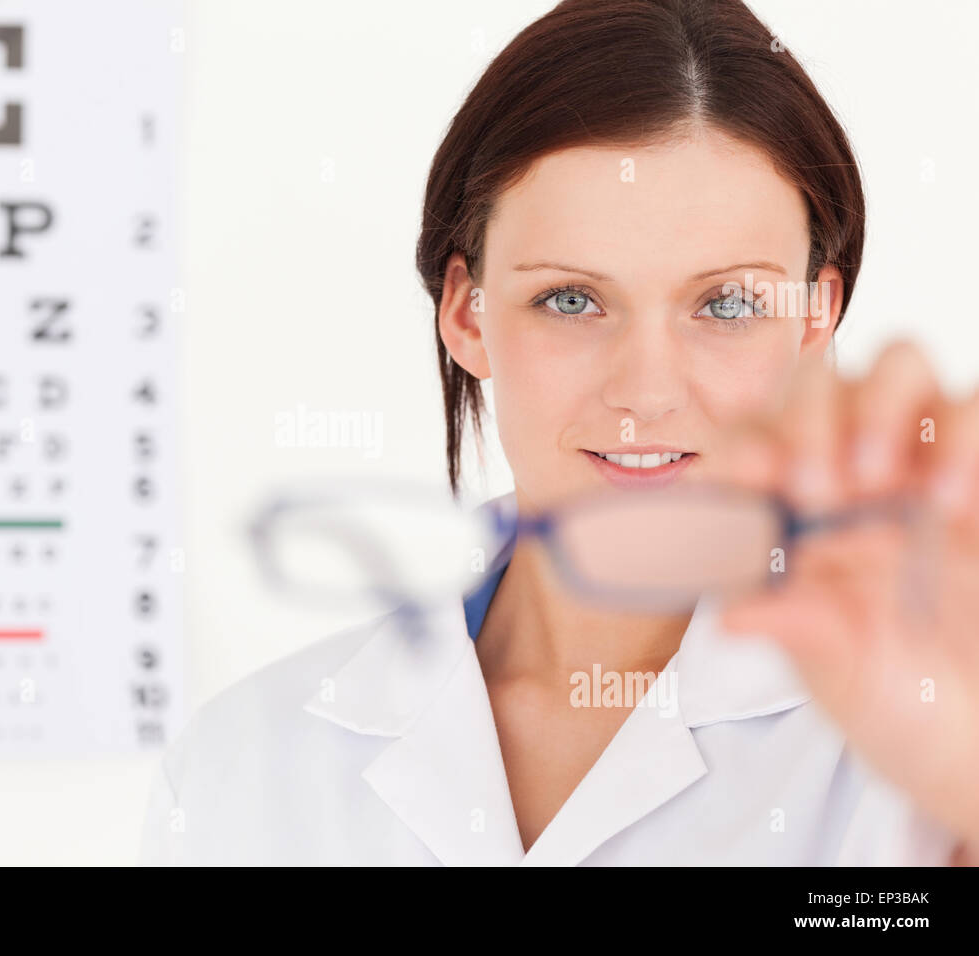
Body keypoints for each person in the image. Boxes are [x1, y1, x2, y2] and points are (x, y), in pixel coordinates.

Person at [138, 0, 979, 865]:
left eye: (726, 303)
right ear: (466, 314)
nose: (646, 394)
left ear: (815, 318)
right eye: (571, 300)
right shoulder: (243, 771)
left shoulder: (932, 745)